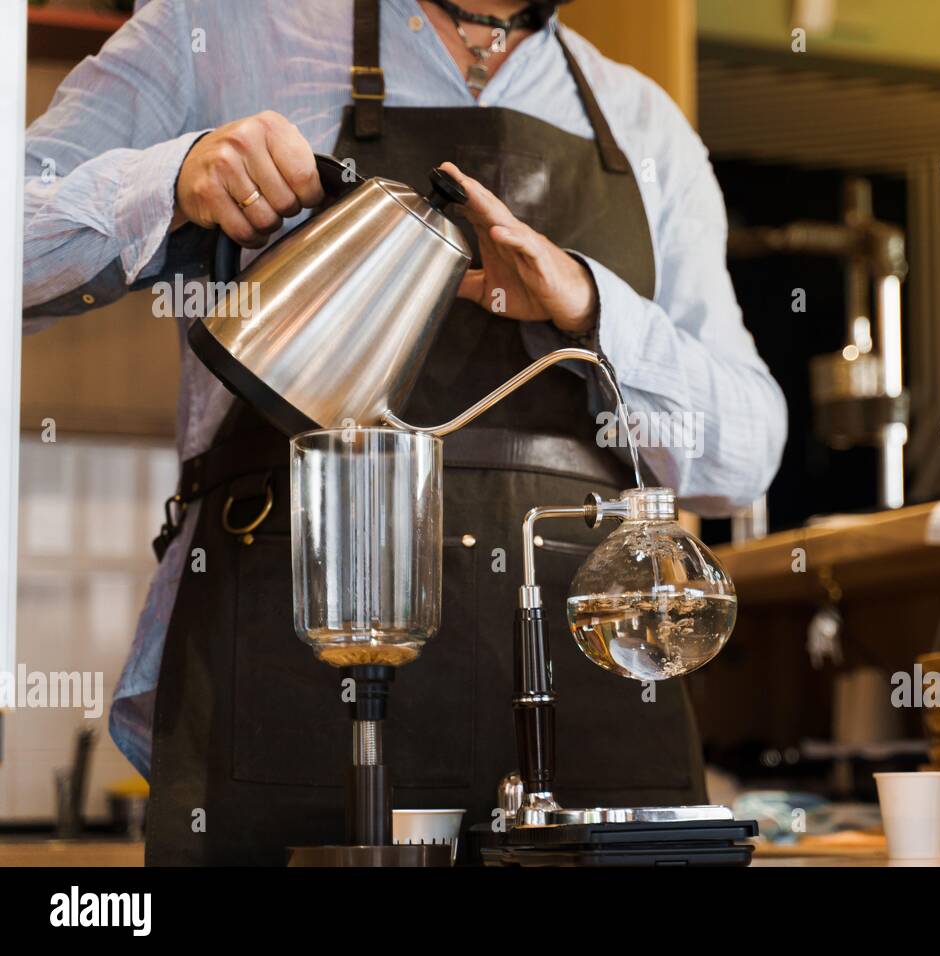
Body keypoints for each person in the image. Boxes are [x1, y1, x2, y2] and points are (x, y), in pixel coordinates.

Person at [23, 0, 786, 865]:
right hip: (289, 675)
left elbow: (749, 455)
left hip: (590, 693)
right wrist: (170, 179)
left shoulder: (645, 122)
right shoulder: (221, 29)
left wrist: (589, 305)